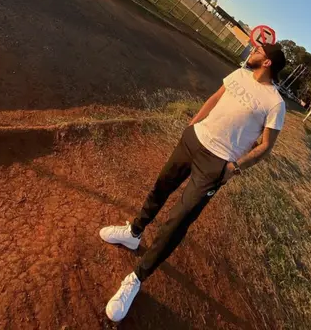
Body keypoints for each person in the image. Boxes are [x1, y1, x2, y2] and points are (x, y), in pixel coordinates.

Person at [99, 42, 287, 322]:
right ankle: (133, 233)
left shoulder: (275, 103)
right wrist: (192, 125)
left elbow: (266, 146)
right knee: (161, 187)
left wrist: (234, 168)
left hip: (216, 165)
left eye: (258, 50)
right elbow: (214, 98)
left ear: (268, 62)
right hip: (193, 141)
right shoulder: (239, 74)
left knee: (179, 220)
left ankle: (136, 278)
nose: (252, 52)